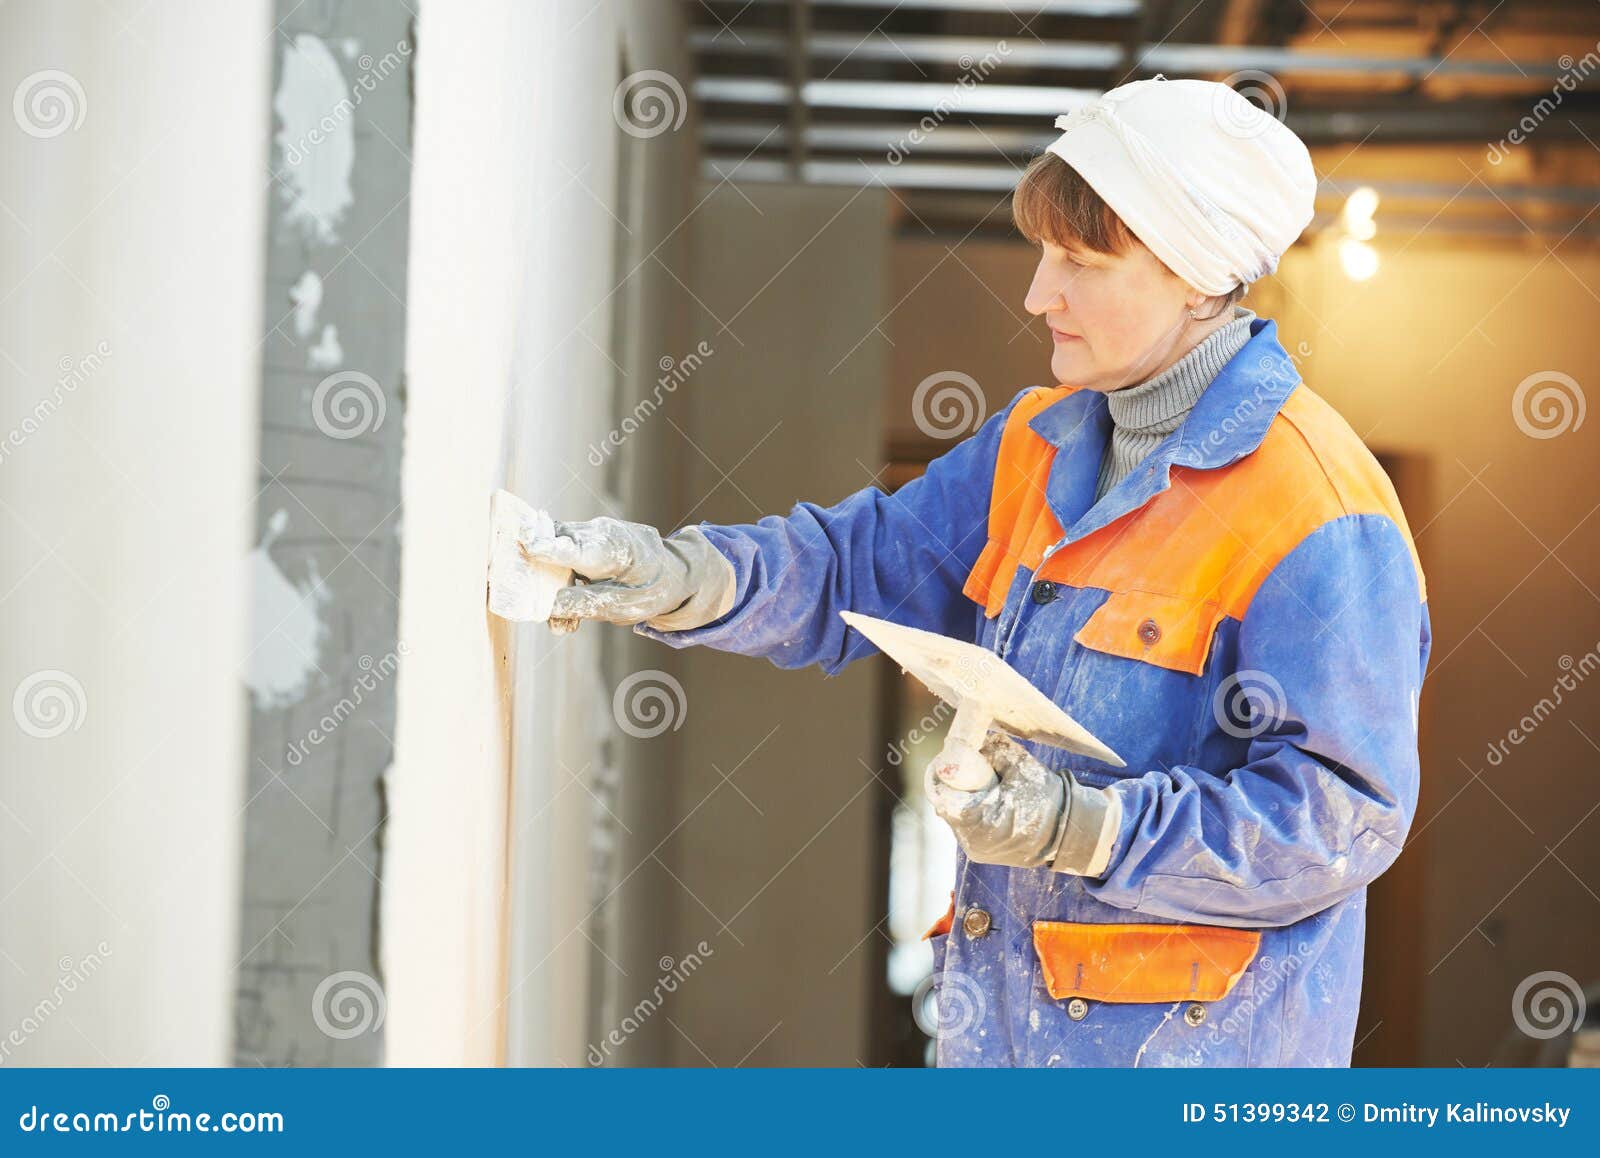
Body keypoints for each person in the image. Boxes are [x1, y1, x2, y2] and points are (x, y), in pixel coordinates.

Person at [525, 77, 1431, 1067]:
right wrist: (680, 575)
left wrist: (1086, 830)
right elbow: (856, 568)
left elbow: (1342, 817)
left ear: (1197, 279)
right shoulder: (1033, 446)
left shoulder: (1319, 510)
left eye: (1082, 261)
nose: (1040, 293)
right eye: (1045, 253)